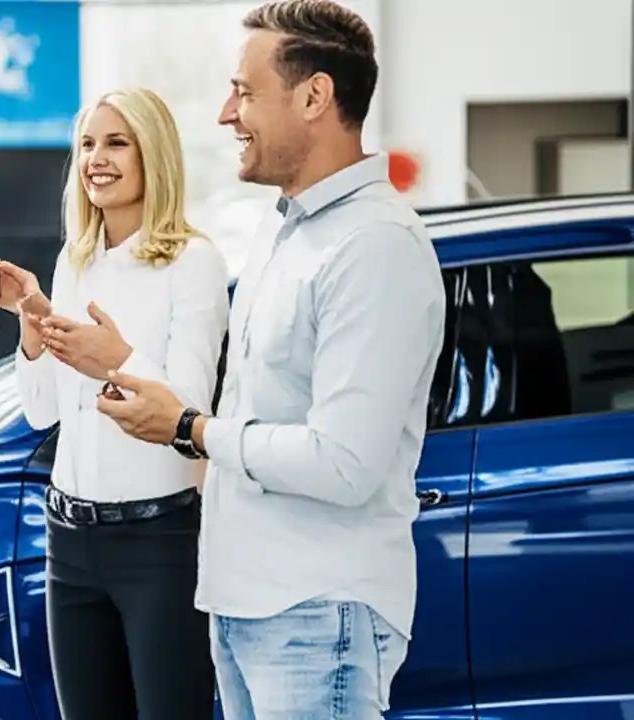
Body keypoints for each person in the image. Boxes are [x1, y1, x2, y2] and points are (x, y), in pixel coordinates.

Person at [96, 1, 446, 718]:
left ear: (315, 96)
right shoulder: (287, 230)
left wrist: (191, 427)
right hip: (249, 607)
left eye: (245, 91)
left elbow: (345, 463)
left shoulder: (374, 246)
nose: (228, 113)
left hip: (319, 616)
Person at [0, 87, 230, 719]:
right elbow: (43, 413)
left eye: (116, 142)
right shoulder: (74, 261)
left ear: (153, 153)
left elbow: (186, 417)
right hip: (69, 542)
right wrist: (34, 323)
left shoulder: (194, 262)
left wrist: (117, 358)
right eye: (87, 144)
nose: (96, 158)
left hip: (158, 541)